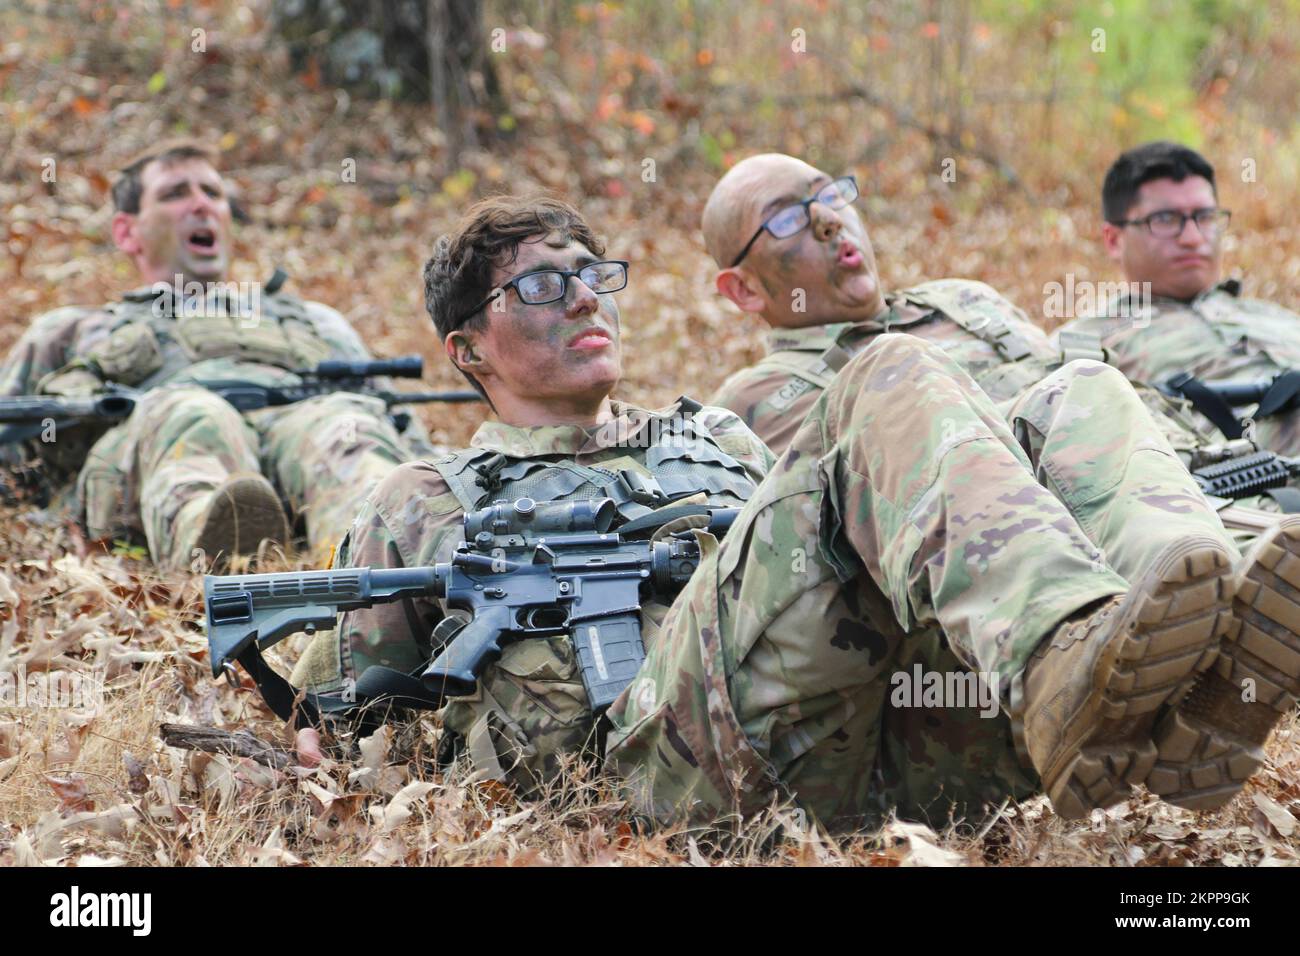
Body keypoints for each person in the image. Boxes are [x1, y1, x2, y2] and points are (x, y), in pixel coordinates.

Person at [296, 194, 1300, 831]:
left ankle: (1194, 660)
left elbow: (871, 521)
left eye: (597, 277)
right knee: (887, 370)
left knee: (1071, 386)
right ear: (468, 349)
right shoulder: (426, 494)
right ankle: (1058, 654)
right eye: (546, 285)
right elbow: (327, 707)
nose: (587, 301)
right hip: (659, 773)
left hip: (876, 742)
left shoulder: (714, 442)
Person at [703, 152, 1284, 541]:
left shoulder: (962, 298)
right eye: (785, 220)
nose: (829, 221)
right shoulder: (764, 395)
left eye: (829, 195)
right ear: (744, 288)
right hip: (1094, 531)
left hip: (1208, 465)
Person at [0, 139, 432, 568]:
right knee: (195, 413)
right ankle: (219, 558)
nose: (201, 205)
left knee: (346, 424)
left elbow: (399, 428)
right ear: (126, 231)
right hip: (157, 455)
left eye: (213, 193)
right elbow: (12, 452)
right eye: (174, 194)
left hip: (302, 440)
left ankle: (382, 571)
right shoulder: (76, 329)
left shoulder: (315, 322)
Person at [1053, 141, 1300, 457]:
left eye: (1205, 217)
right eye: (1166, 220)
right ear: (1114, 240)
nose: (1193, 238)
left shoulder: (1273, 316)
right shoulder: (1082, 344)